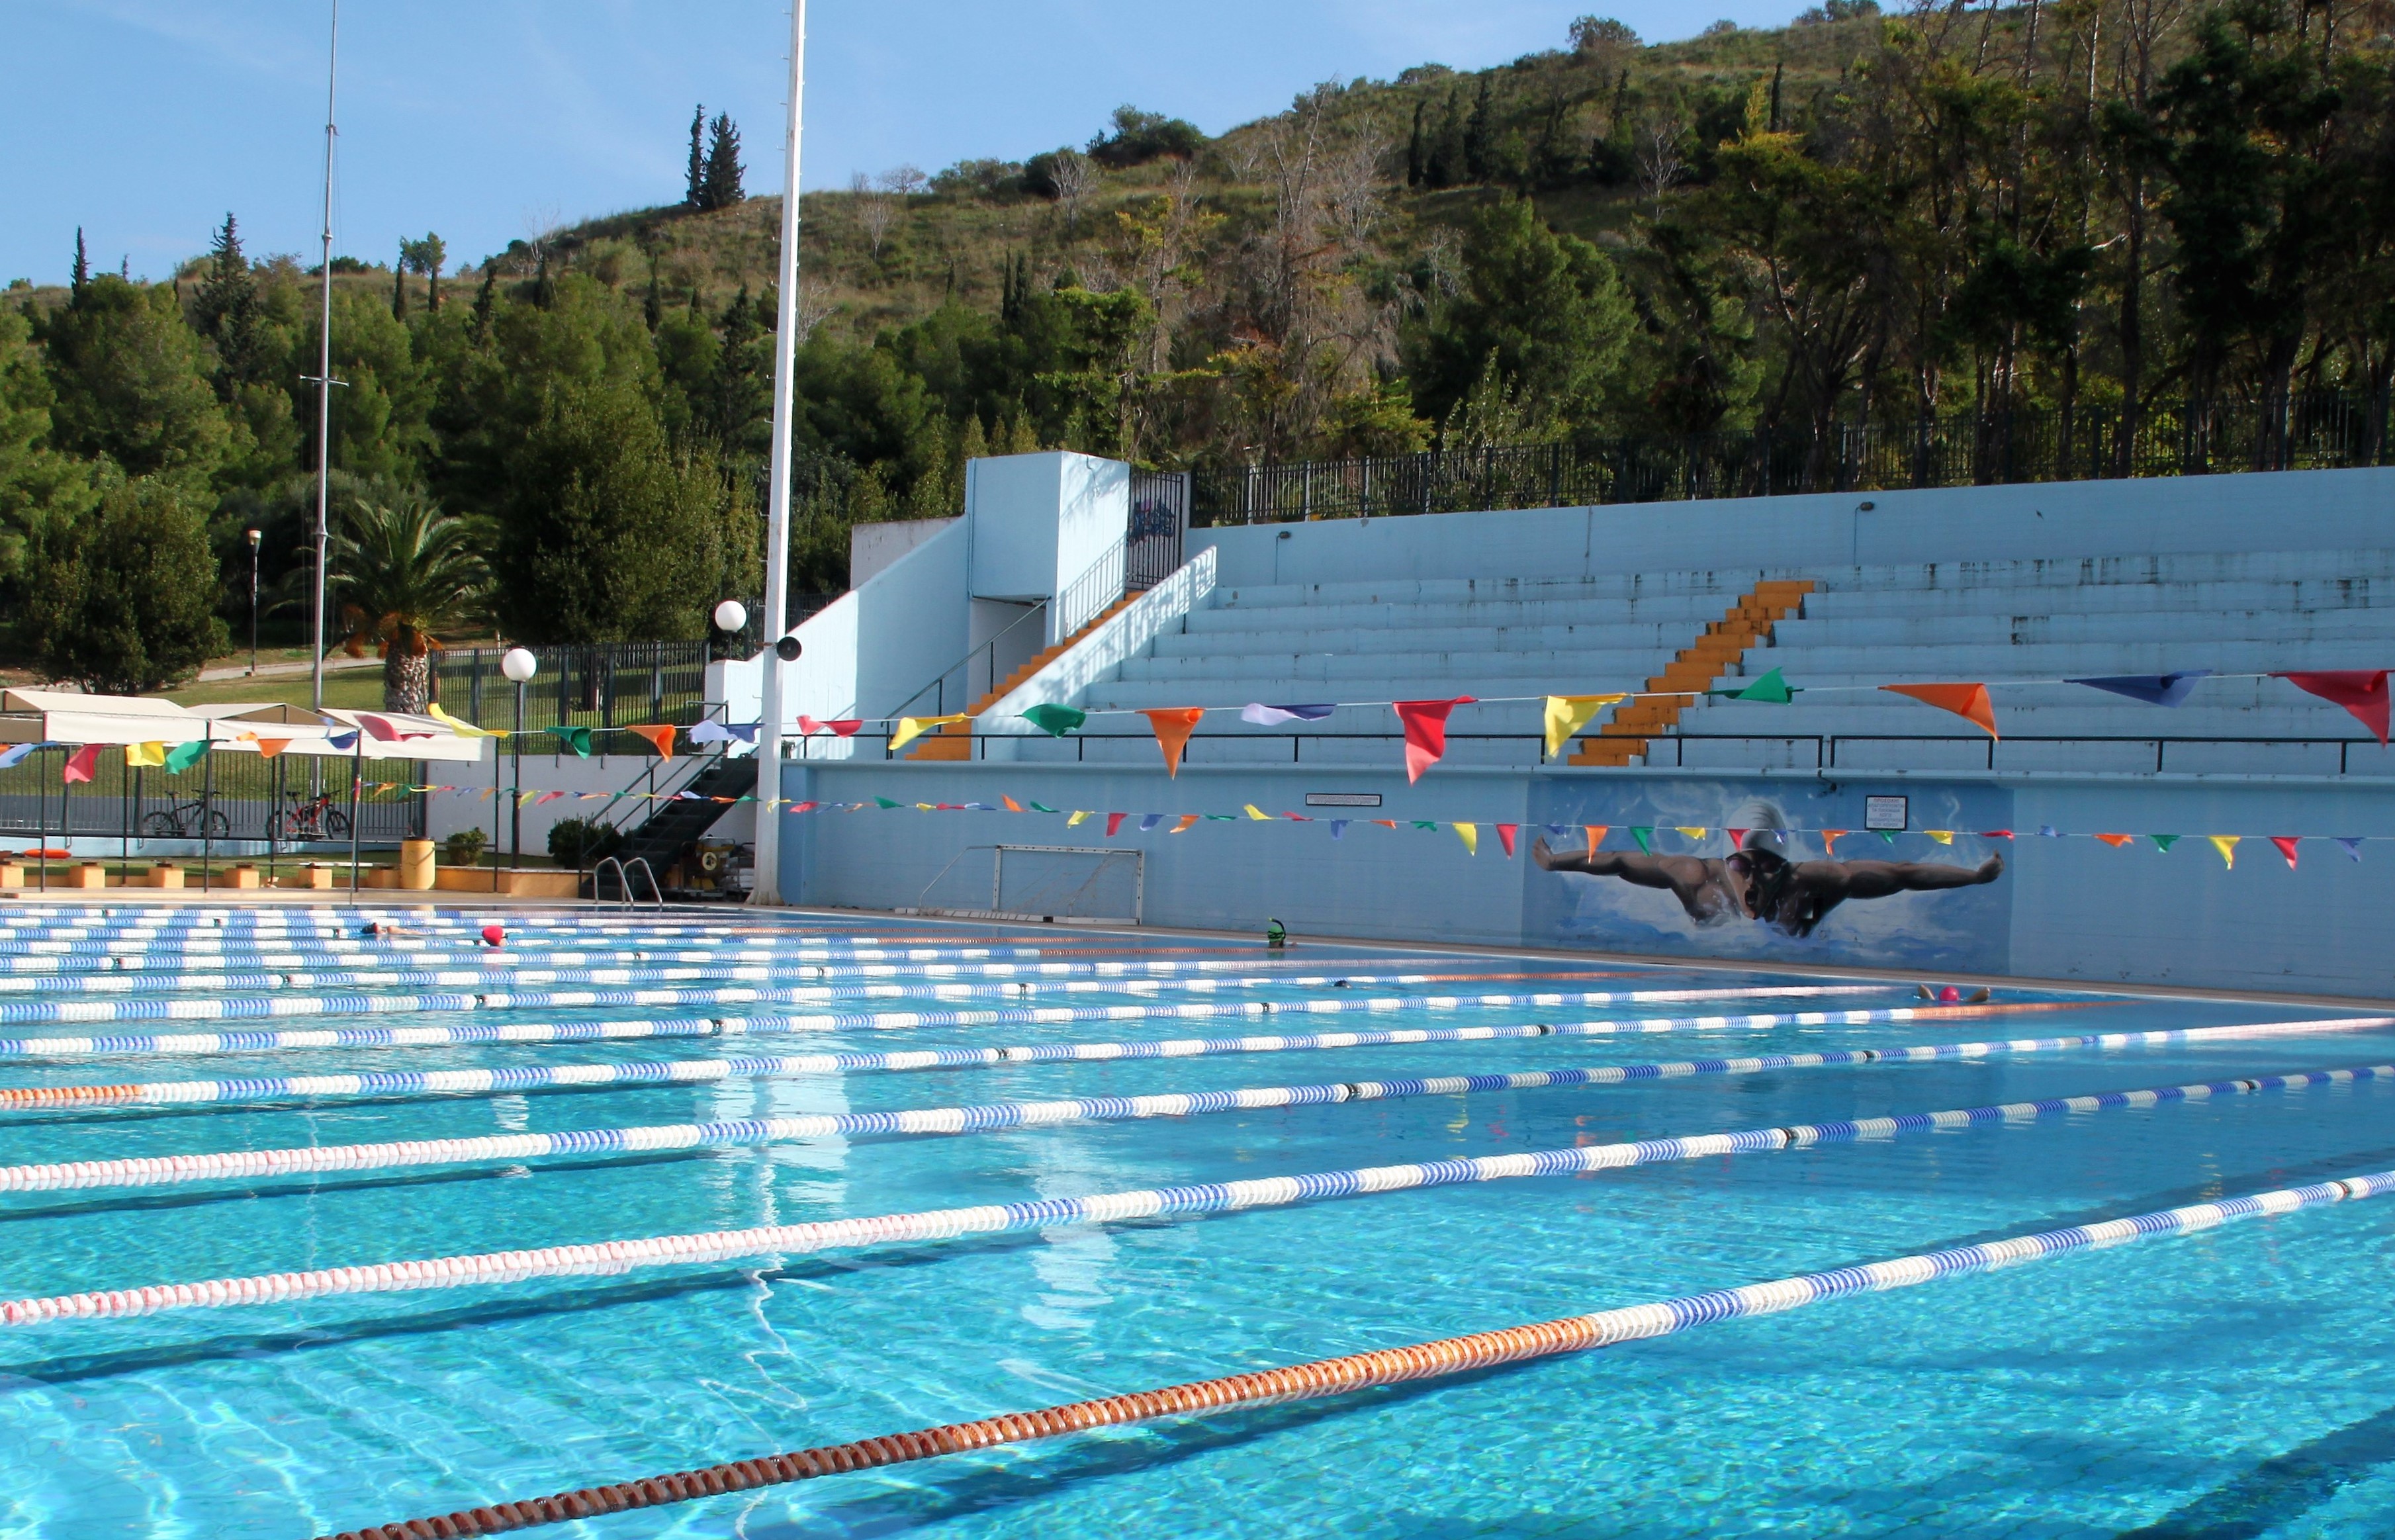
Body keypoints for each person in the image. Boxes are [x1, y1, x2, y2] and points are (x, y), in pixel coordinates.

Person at [1532, 827, 2003, 939]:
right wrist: (1556, 864)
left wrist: (1975, 878)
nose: (1754, 876)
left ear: (1785, 864)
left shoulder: (1812, 879)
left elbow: (1903, 876)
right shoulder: (1693, 875)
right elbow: (1616, 859)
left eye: (1767, 866)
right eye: (1743, 866)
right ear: (1726, 859)